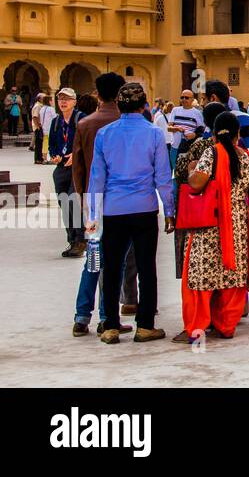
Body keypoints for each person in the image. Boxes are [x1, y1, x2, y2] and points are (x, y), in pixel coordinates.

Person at [86, 82, 175, 344]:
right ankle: (145, 325)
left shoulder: (105, 134)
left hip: (113, 210)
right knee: (147, 267)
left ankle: (111, 325)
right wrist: (169, 210)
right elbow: (162, 177)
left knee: (112, 267)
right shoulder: (154, 134)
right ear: (143, 104)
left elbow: (97, 179)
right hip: (144, 209)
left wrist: (94, 214)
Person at [176, 110, 249, 343]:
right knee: (231, 276)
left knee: (201, 276)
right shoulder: (246, 157)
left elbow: (196, 183)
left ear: (214, 134)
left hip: (209, 224)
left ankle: (198, 326)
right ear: (238, 134)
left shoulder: (211, 153)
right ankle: (226, 325)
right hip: (236, 226)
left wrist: (191, 170)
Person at [71, 71, 138, 337]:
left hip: (94, 201)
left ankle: (81, 315)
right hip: (123, 202)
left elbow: (78, 169)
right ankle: (106, 316)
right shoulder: (129, 123)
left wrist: (85, 202)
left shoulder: (85, 124)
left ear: (97, 94)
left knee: (94, 260)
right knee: (117, 263)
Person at [46, 88, 84, 257]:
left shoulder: (81, 119)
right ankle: (72, 240)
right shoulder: (56, 122)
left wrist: (75, 156)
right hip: (61, 168)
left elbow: (87, 142)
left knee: (73, 202)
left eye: (67, 99)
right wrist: (55, 155)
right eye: (60, 98)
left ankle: (81, 239)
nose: (63, 101)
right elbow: (52, 144)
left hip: (77, 168)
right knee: (64, 203)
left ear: (74, 102)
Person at [167, 89, 204, 171]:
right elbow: (169, 128)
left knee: (186, 172)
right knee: (175, 171)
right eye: (182, 97)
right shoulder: (175, 110)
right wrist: (177, 128)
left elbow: (201, 131)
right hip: (175, 147)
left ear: (192, 99)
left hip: (189, 148)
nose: (183, 99)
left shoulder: (197, 113)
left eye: (186, 98)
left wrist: (194, 135)